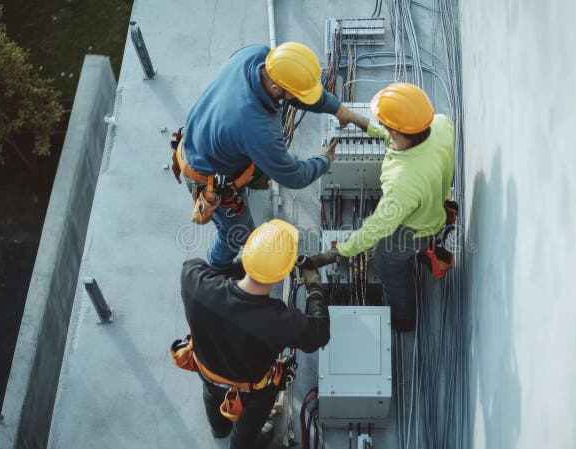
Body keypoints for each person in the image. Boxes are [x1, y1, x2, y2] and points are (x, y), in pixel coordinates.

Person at [172, 41, 366, 271]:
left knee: (263, 154)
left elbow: (295, 93)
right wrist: (326, 160)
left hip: (204, 136)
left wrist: (338, 109)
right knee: (237, 233)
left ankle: (251, 176)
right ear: (275, 89)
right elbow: (294, 177)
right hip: (206, 175)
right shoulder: (257, 128)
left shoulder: (256, 55)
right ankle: (216, 269)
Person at [176, 219, 329, 449]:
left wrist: (247, 266)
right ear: (283, 272)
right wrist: (314, 286)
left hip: (207, 371)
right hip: (252, 391)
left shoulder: (194, 282)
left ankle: (219, 428)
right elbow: (319, 334)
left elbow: (204, 266)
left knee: (212, 394)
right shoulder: (279, 321)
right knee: (249, 427)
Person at [317, 83, 455, 331]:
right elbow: (399, 140)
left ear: (397, 132)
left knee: (385, 262)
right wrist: (358, 121)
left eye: (386, 126)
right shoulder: (441, 124)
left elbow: (376, 229)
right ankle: (427, 249)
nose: (384, 129)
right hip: (435, 204)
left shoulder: (402, 183)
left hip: (414, 230)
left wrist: (344, 251)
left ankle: (402, 318)